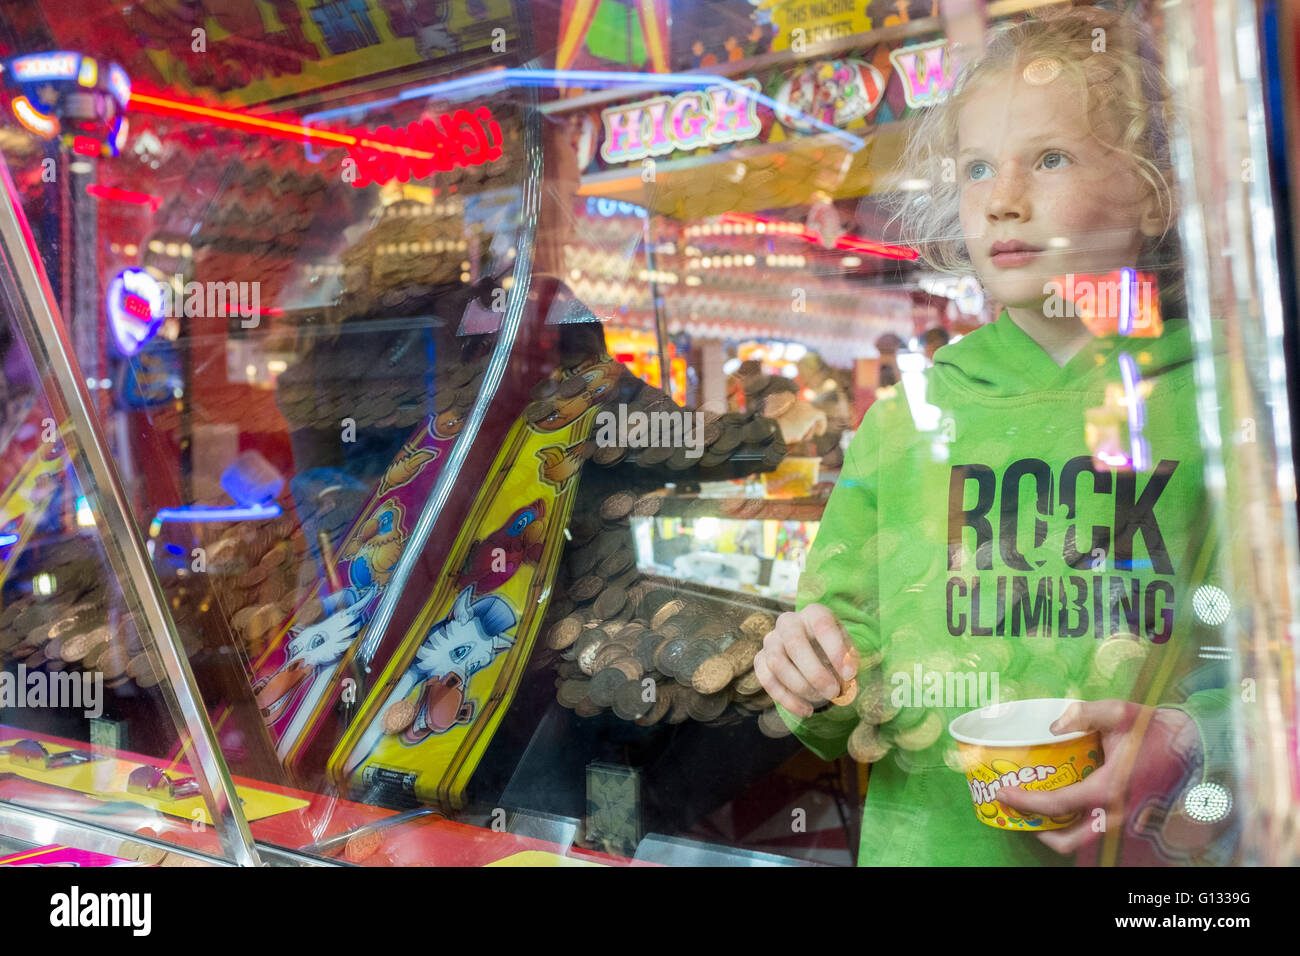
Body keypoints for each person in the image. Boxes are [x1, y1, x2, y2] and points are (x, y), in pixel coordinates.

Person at [754, 6, 1234, 866]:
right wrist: (807, 672)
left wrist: (1194, 742)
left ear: (1153, 193)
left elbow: (1273, 672)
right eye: (977, 168)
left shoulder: (1221, 404)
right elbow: (838, 676)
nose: (1003, 199)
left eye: (1050, 158)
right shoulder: (908, 418)